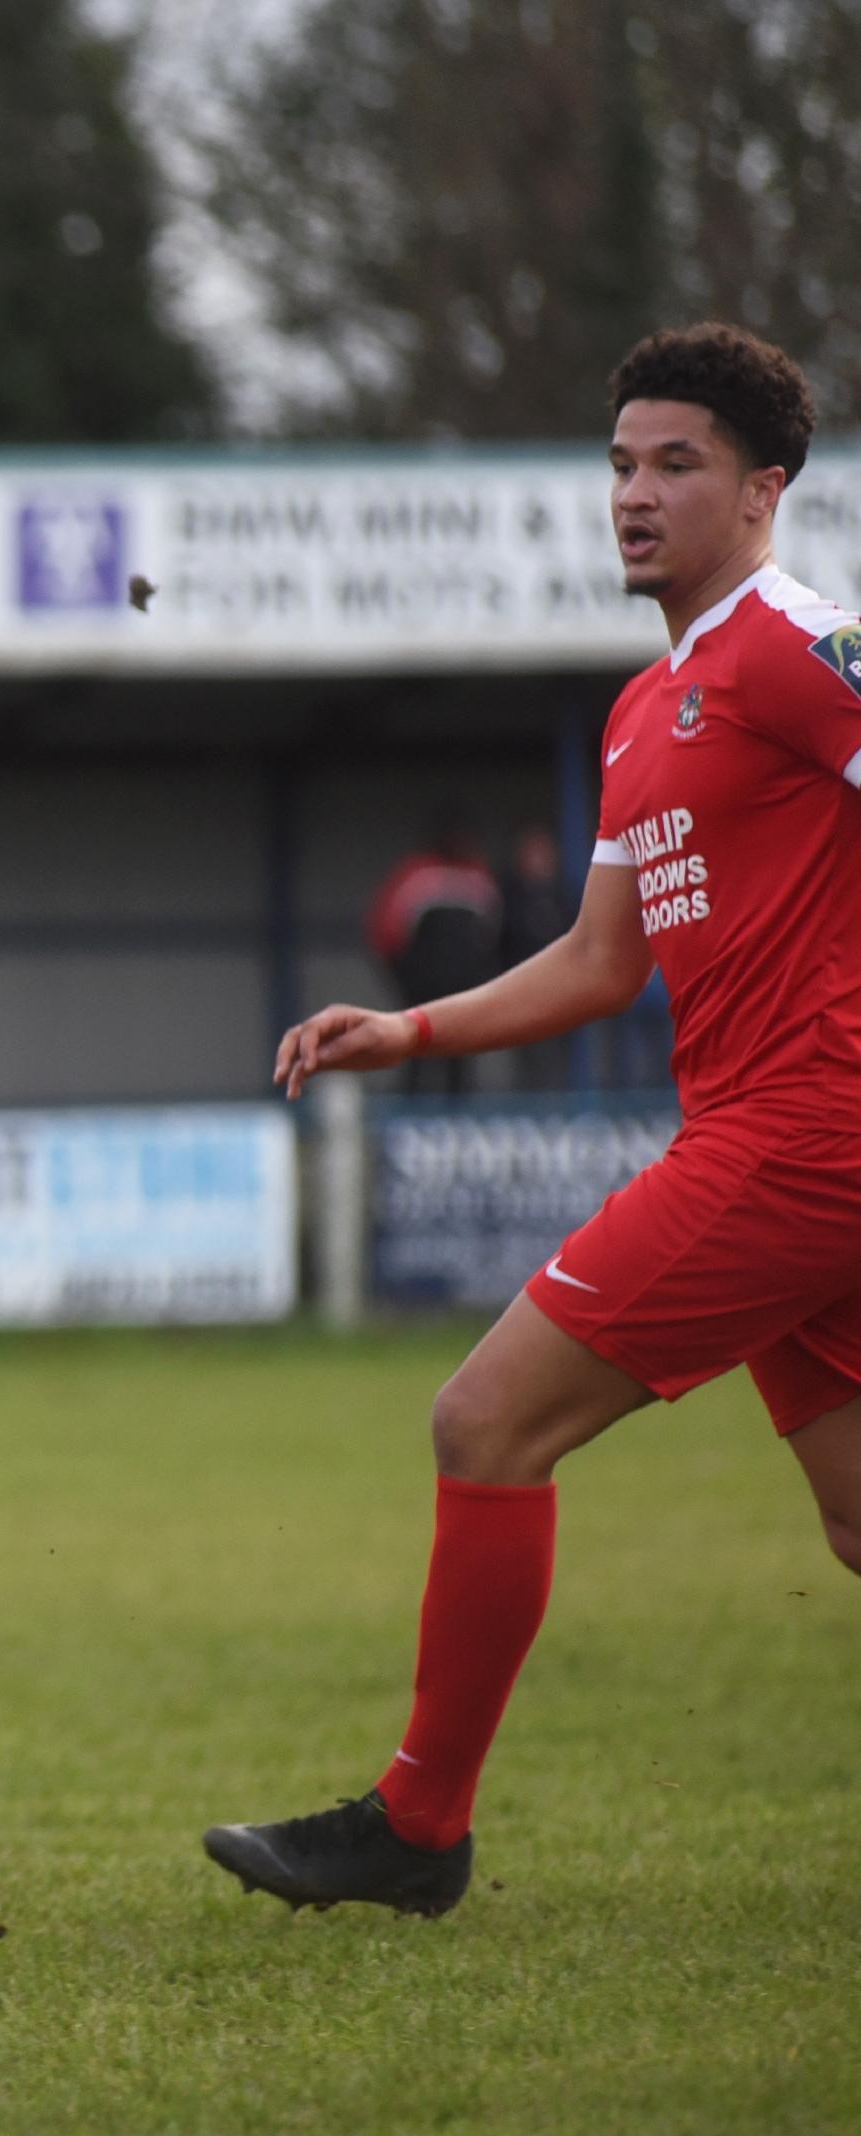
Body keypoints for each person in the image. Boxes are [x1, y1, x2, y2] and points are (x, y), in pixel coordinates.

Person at [207, 324, 861, 1917]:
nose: (634, 495)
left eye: (676, 465)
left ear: (767, 488)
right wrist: (409, 1026)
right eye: (621, 465)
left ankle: (421, 1830)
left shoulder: (794, 642)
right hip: (784, 1140)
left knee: (485, 1422)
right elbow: (598, 961)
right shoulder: (649, 710)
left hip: (807, 1131)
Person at [363, 814, 502, 1097]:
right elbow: (384, 931)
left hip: (464, 998)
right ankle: (407, 1128)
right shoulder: (416, 874)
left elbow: (494, 937)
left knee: (461, 1069)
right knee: (415, 1063)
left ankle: (458, 1131)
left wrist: (480, 980)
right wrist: (409, 982)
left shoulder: (479, 877)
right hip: (422, 997)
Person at [494, 823, 577, 1091]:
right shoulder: (508, 896)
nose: (539, 859)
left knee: (559, 1057)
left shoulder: (564, 896)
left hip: (563, 991)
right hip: (521, 989)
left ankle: (561, 1105)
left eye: (543, 852)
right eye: (532, 852)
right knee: (527, 1055)